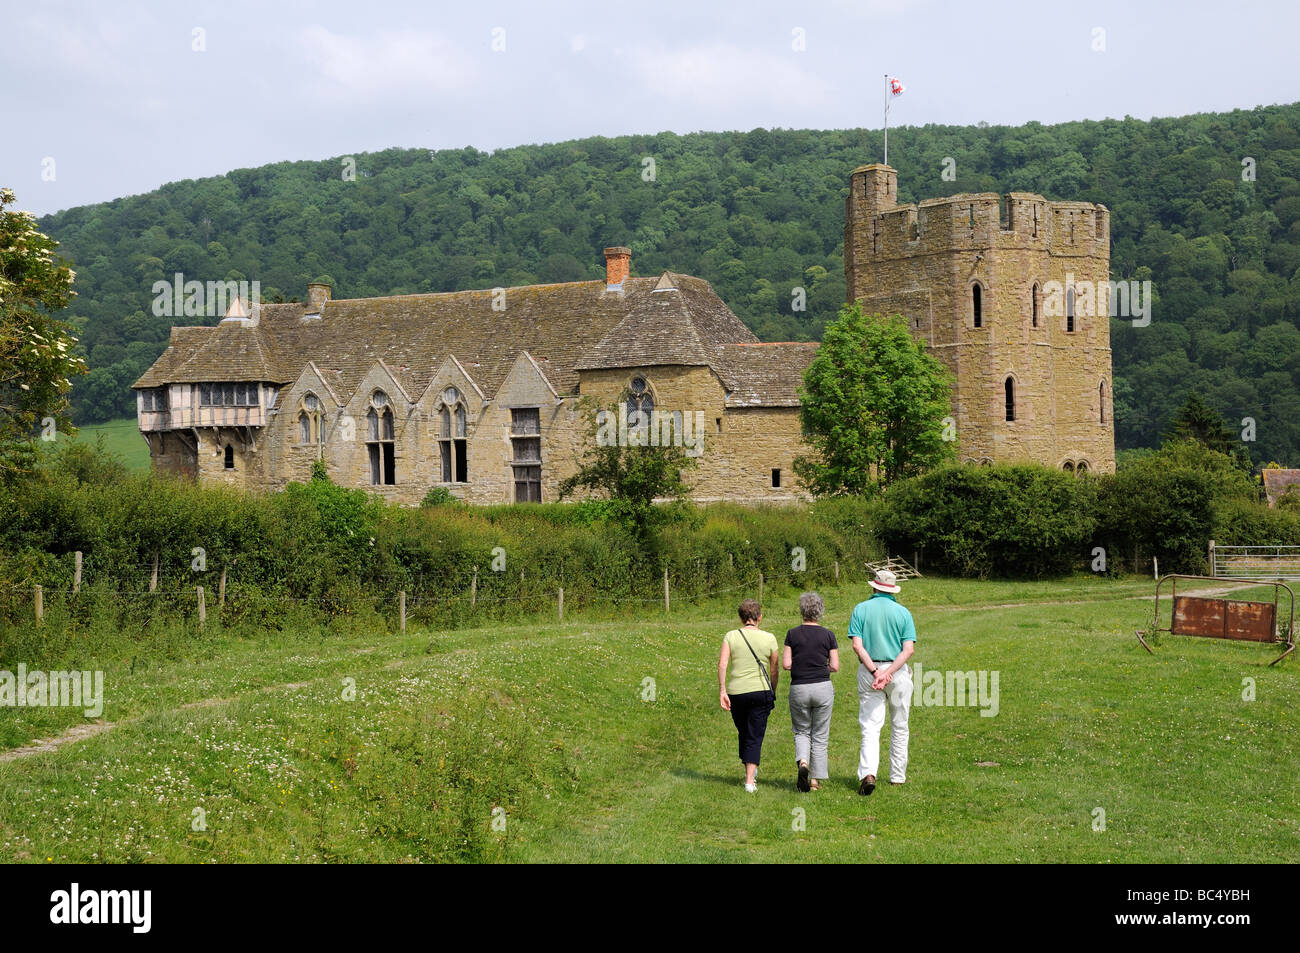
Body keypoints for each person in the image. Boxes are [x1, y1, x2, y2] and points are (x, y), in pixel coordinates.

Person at [847, 569, 916, 795]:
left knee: (870, 726)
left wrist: (877, 671)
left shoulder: (860, 609)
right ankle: (897, 776)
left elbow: (857, 646)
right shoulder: (903, 612)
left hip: (870, 671)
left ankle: (868, 773)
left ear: (874, 587)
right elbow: (908, 650)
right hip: (898, 673)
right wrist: (889, 673)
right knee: (900, 725)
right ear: (892, 589)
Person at [718, 598, 780, 793]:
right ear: (759, 617)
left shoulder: (730, 636)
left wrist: (722, 690)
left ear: (740, 618)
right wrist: (773, 690)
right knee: (753, 734)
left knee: (745, 731)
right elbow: (774, 668)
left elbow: (722, 664)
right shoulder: (769, 638)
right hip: (760, 690)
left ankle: (750, 771)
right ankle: (749, 781)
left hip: (737, 692)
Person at [783, 592, 839, 792]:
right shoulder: (828, 635)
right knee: (820, 735)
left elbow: (786, 664)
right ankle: (815, 781)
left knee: (801, 731)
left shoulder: (792, 634)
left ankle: (803, 763)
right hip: (822, 687)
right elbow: (835, 666)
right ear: (820, 611)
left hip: (799, 688)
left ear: (802, 611)